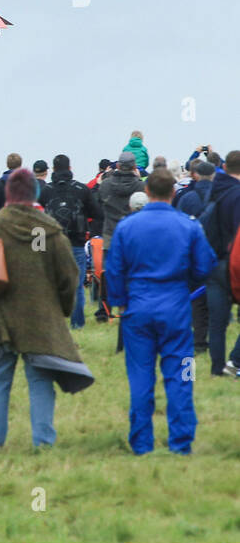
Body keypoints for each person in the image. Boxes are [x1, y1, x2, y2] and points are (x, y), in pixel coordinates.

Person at [0, 168, 93, 448]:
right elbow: (69, 277)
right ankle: (43, 443)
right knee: (41, 384)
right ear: (36, 192)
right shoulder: (48, 229)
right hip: (41, 320)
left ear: (7, 193)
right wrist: (63, 310)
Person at [105, 169, 214, 454]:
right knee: (181, 374)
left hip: (137, 307)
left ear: (146, 191)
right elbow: (205, 266)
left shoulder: (127, 227)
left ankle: (141, 442)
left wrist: (120, 301)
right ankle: (181, 441)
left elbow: (114, 269)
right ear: (174, 193)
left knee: (140, 375)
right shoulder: (189, 225)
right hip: (176, 307)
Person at [42, 155, 103, 330]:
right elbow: (98, 213)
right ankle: (77, 324)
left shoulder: (45, 191)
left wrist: (37, 245)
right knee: (76, 286)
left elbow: (36, 218)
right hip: (76, 243)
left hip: (52, 243)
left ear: (53, 170)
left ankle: (54, 325)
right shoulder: (81, 190)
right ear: (70, 169)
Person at [201, 151, 240, 376]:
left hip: (213, 263)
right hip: (234, 261)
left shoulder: (214, 191)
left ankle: (217, 369)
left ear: (225, 168)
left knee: (217, 323)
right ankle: (234, 361)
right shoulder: (236, 195)